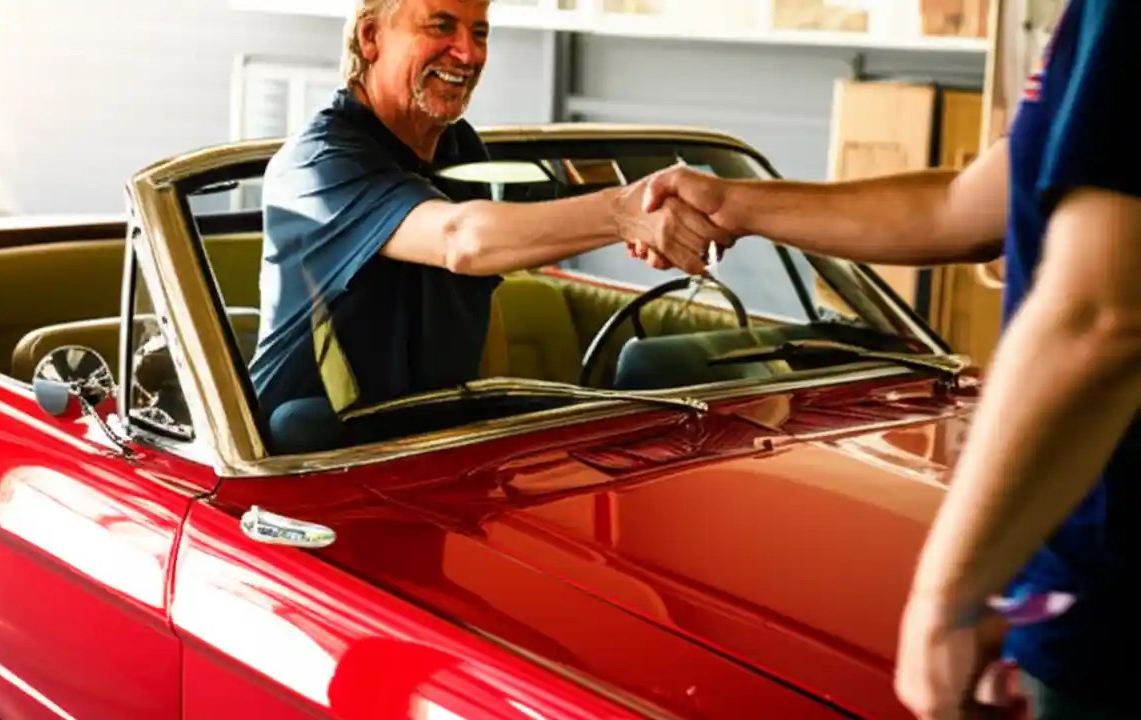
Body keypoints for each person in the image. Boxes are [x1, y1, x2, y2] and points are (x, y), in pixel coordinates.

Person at [639, 1, 1140, 717]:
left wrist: (945, 598)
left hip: (1111, 616)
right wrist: (734, 203)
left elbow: (1099, 313)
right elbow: (966, 206)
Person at [249, 0, 725, 452]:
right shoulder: (318, 163)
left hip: (426, 452)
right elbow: (461, 240)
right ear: (371, 36)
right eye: (441, 26)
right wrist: (624, 212)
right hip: (302, 464)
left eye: (479, 33)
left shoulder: (461, 151)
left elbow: (478, 298)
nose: (469, 53)